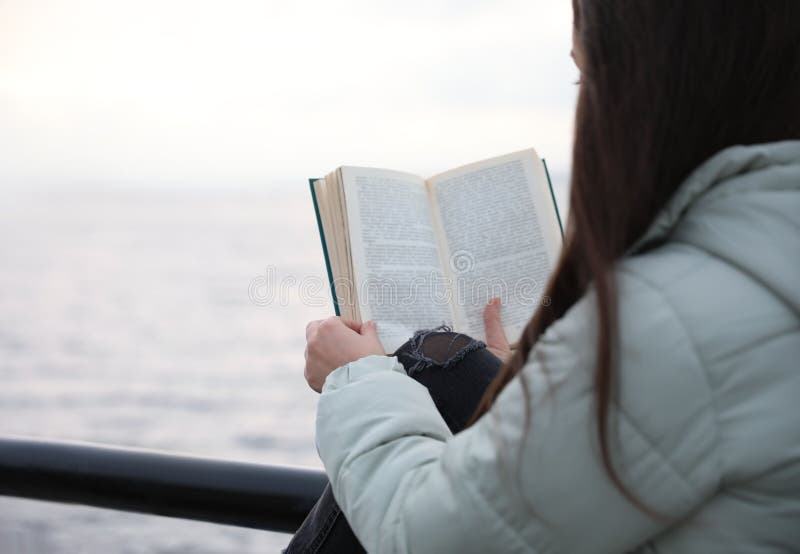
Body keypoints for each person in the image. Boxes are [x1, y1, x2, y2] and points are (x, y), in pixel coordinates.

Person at [290, 1, 800, 552]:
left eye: (586, 74)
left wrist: (356, 379)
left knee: (431, 361)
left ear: (651, 81)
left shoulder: (664, 323)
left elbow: (430, 538)